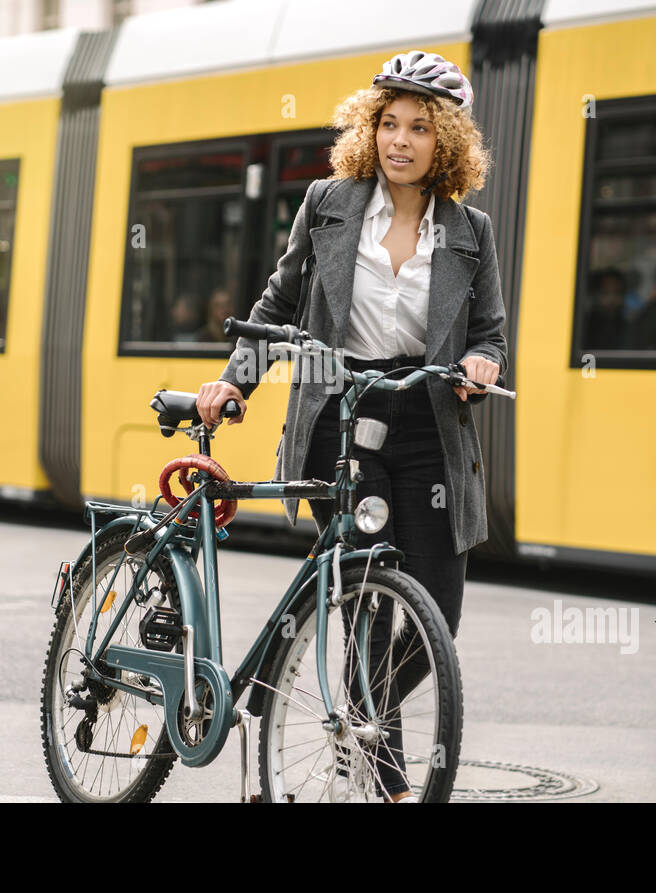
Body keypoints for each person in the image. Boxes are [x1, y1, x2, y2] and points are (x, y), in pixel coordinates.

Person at [195, 50, 509, 801]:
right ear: (370, 131)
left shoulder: (470, 231)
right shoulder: (329, 204)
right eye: (388, 123)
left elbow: (490, 332)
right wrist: (233, 381)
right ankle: (386, 771)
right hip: (344, 413)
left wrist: (482, 363)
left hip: (430, 417)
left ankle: (365, 717)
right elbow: (273, 310)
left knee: (437, 606)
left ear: (447, 145)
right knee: (367, 588)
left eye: (419, 129)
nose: (400, 140)